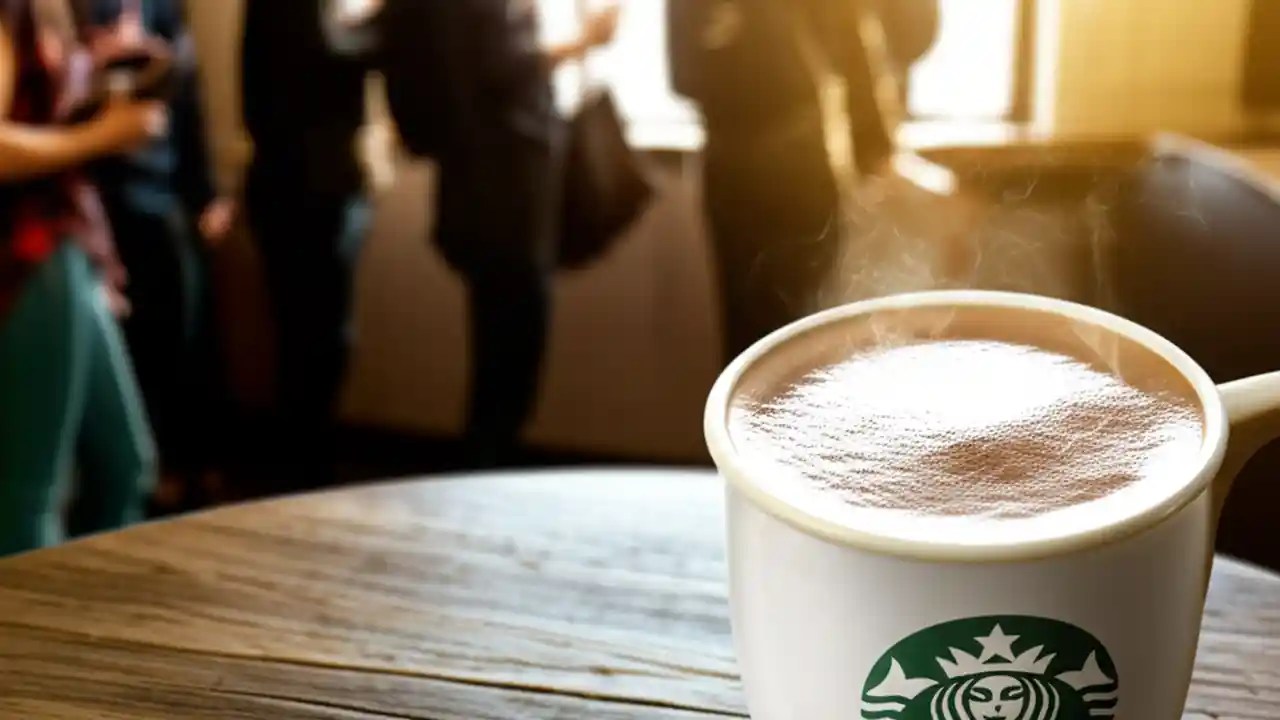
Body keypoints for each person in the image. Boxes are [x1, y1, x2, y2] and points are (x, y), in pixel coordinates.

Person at [373, 0, 619, 466]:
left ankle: (487, 464)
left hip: (488, 184)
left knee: (503, 350)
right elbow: (501, 66)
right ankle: (486, 470)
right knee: (510, 353)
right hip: (503, 190)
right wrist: (583, 41)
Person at [668, 0, 941, 361]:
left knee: (809, 335)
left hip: (802, 177)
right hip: (735, 178)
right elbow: (684, 75)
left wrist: (876, 151)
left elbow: (878, 40)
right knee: (748, 339)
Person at [0, 0, 166, 554]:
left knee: (124, 467)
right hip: (27, 252)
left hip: (66, 244)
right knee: (30, 494)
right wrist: (104, 134)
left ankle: (87, 601)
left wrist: (98, 73)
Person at [80, 0, 233, 511]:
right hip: (94, 188)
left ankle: (187, 462)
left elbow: (188, 94)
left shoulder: (165, 7)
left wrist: (206, 191)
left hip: (160, 184)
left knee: (185, 321)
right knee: (136, 341)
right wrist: (95, 64)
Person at [241, 0, 372, 489]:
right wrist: (391, 23)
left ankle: (304, 471)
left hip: (313, 184)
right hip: (305, 190)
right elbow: (327, 53)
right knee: (312, 345)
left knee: (318, 343)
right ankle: (302, 477)